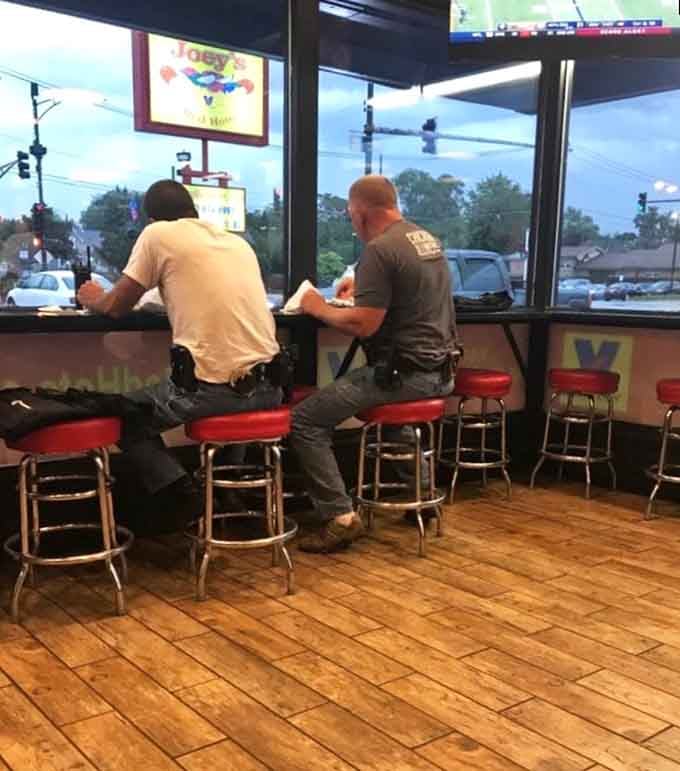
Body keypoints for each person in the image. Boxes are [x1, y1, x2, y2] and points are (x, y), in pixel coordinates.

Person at [77, 179, 280, 525]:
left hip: (210, 393)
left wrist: (92, 297)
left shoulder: (158, 236)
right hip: (270, 390)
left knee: (125, 416)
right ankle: (225, 492)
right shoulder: (236, 243)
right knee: (232, 408)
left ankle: (184, 495)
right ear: (193, 211)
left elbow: (116, 306)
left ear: (152, 219)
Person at [291, 174, 459, 553]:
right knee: (393, 413)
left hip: (406, 374)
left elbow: (365, 324)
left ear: (360, 212)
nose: (353, 225)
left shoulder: (380, 249)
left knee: (305, 420)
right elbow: (405, 299)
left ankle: (339, 517)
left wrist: (316, 306)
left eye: (351, 217)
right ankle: (422, 495)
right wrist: (362, 294)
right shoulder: (425, 239)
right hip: (442, 372)